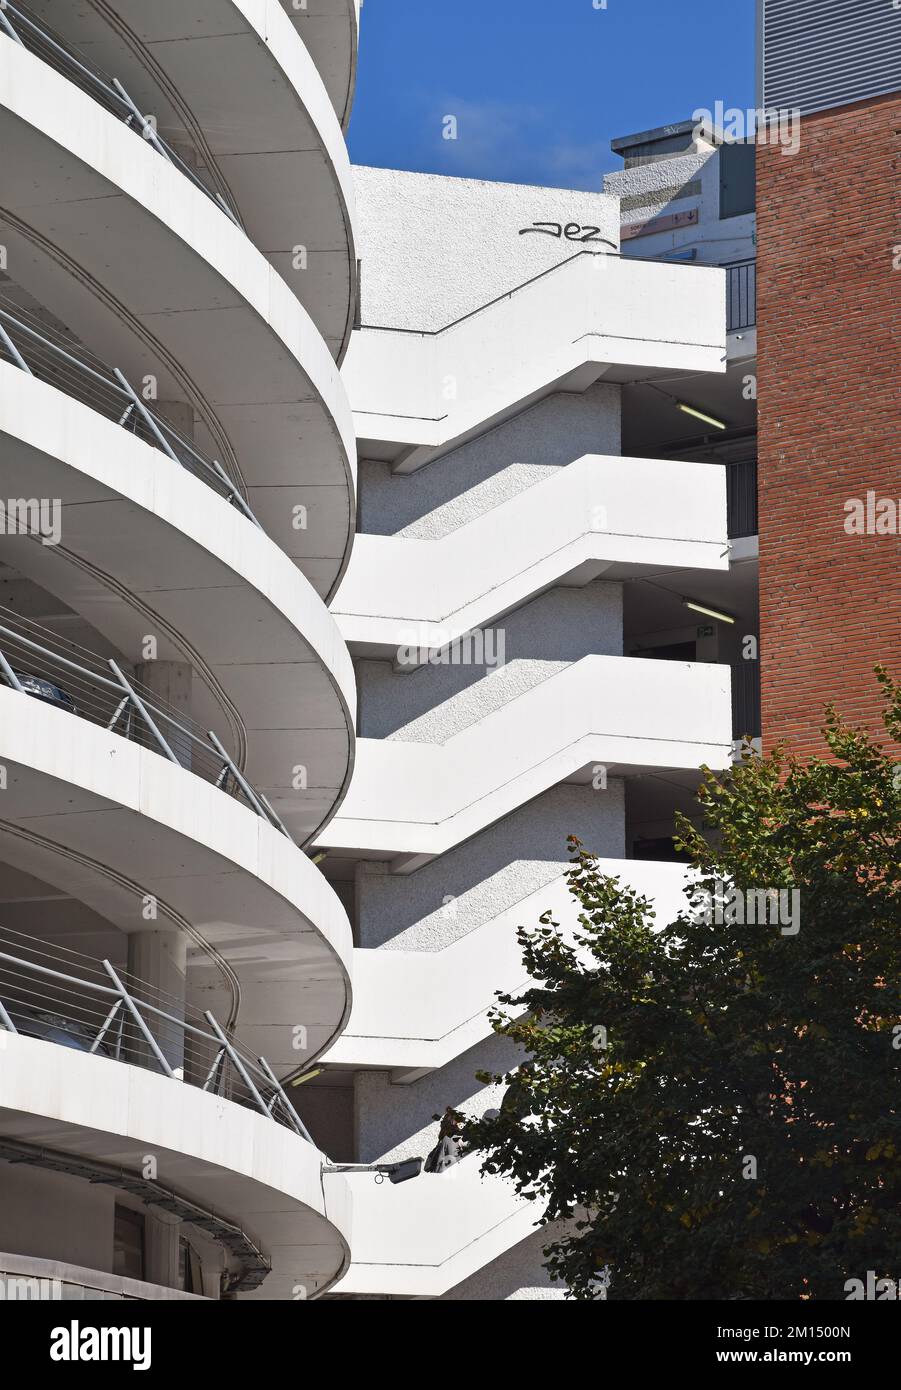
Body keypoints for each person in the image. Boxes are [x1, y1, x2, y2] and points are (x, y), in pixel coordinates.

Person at [423, 1105, 464, 1173]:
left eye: (443, 1123)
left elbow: (450, 1165)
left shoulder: (450, 1140)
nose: (441, 1125)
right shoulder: (443, 1142)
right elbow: (427, 1167)